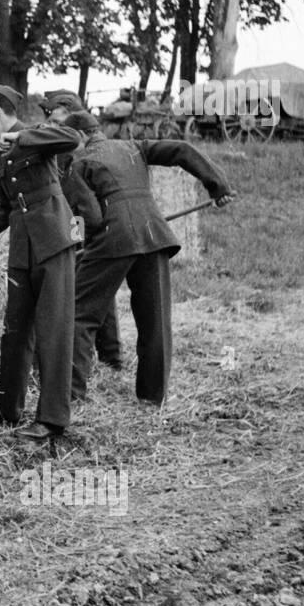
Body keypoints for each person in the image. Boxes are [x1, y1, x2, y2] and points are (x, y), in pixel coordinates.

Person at [67, 121, 235, 406]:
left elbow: (87, 215)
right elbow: (182, 149)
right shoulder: (134, 146)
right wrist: (218, 186)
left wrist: (79, 243)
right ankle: (152, 399)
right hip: (153, 234)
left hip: (112, 239)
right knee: (155, 320)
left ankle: (71, 395)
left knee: (79, 315)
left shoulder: (76, 163)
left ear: (82, 135)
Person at [0, 85, 83, 442]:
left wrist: (20, 136)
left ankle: (53, 419)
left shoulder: (35, 137)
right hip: (23, 252)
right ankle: (7, 406)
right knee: (14, 331)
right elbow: (5, 211)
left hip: (54, 243)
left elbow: (72, 136)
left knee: (54, 331)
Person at [40, 93, 123, 371]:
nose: (54, 126)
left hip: (90, 226)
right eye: (50, 120)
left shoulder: (83, 152)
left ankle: (111, 355)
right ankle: (109, 354)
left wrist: (78, 238)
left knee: (94, 291)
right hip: (76, 223)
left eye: (58, 119)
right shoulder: (61, 148)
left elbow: (86, 206)